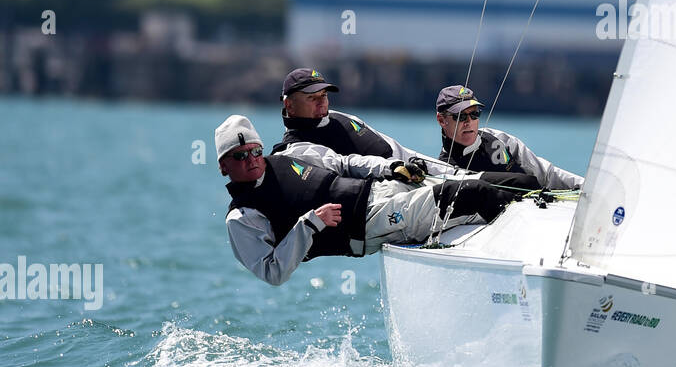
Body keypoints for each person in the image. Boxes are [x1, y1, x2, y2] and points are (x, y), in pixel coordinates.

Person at [216, 114, 514, 286]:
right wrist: (308, 225)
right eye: (240, 156)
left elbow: (346, 163)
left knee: (504, 182)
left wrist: (391, 167)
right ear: (223, 166)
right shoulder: (242, 217)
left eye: (255, 151)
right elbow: (272, 272)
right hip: (368, 226)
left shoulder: (291, 155)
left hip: (382, 189)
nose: (252, 160)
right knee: (474, 196)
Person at [274, 68, 441, 169]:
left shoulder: (341, 119)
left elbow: (400, 153)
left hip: (405, 184)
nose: (321, 103)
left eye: (323, 95)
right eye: (312, 98)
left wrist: (452, 173)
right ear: (289, 105)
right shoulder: (290, 150)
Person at [435, 85, 583, 191]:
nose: (469, 122)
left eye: (474, 114)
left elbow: (546, 174)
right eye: (460, 116)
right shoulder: (444, 171)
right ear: (441, 120)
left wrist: (586, 187)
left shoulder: (498, 138)